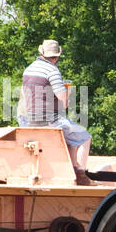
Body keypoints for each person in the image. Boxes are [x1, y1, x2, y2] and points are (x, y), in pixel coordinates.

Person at [18, 39, 94, 185]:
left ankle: (72, 170)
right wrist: (66, 98)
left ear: (41, 53)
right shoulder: (53, 71)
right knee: (84, 137)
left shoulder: (28, 69)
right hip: (48, 120)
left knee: (72, 138)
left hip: (27, 119)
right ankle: (80, 173)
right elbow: (62, 97)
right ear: (57, 56)